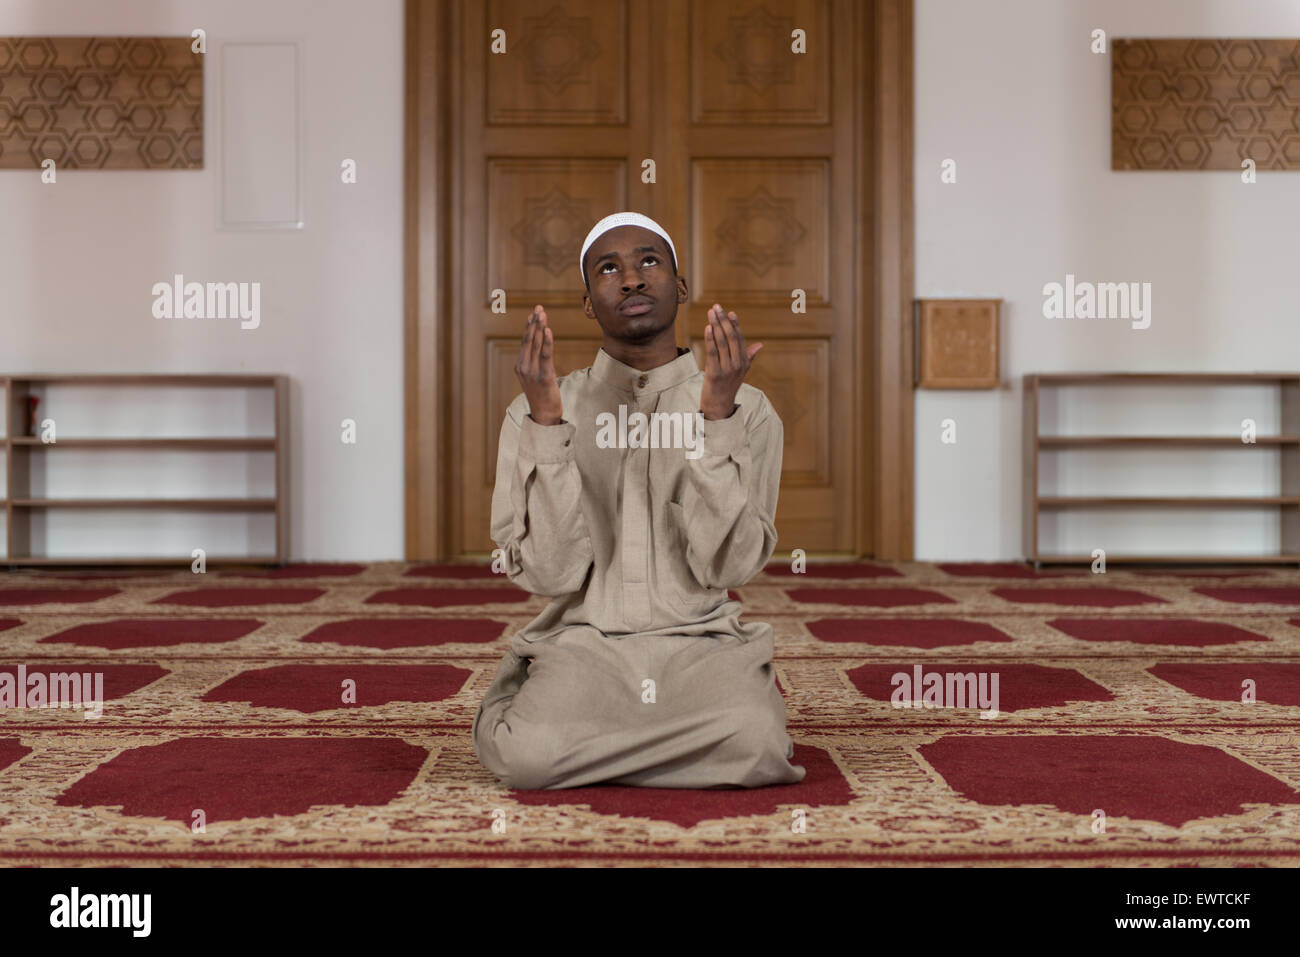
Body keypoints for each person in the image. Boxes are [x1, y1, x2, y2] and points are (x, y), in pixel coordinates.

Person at [471, 211, 805, 789]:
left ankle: (600, 748)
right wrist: (548, 427)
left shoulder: (747, 410)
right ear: (587, 301)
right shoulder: (539, 408)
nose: (630, 279)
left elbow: (728, 567)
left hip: (700, 645)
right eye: (609, 268)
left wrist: (717, 421)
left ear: (678, 287)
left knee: (757, 744)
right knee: (526, 757)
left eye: (648, 261)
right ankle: (663, 749)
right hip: (585, 646)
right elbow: (551, 575)